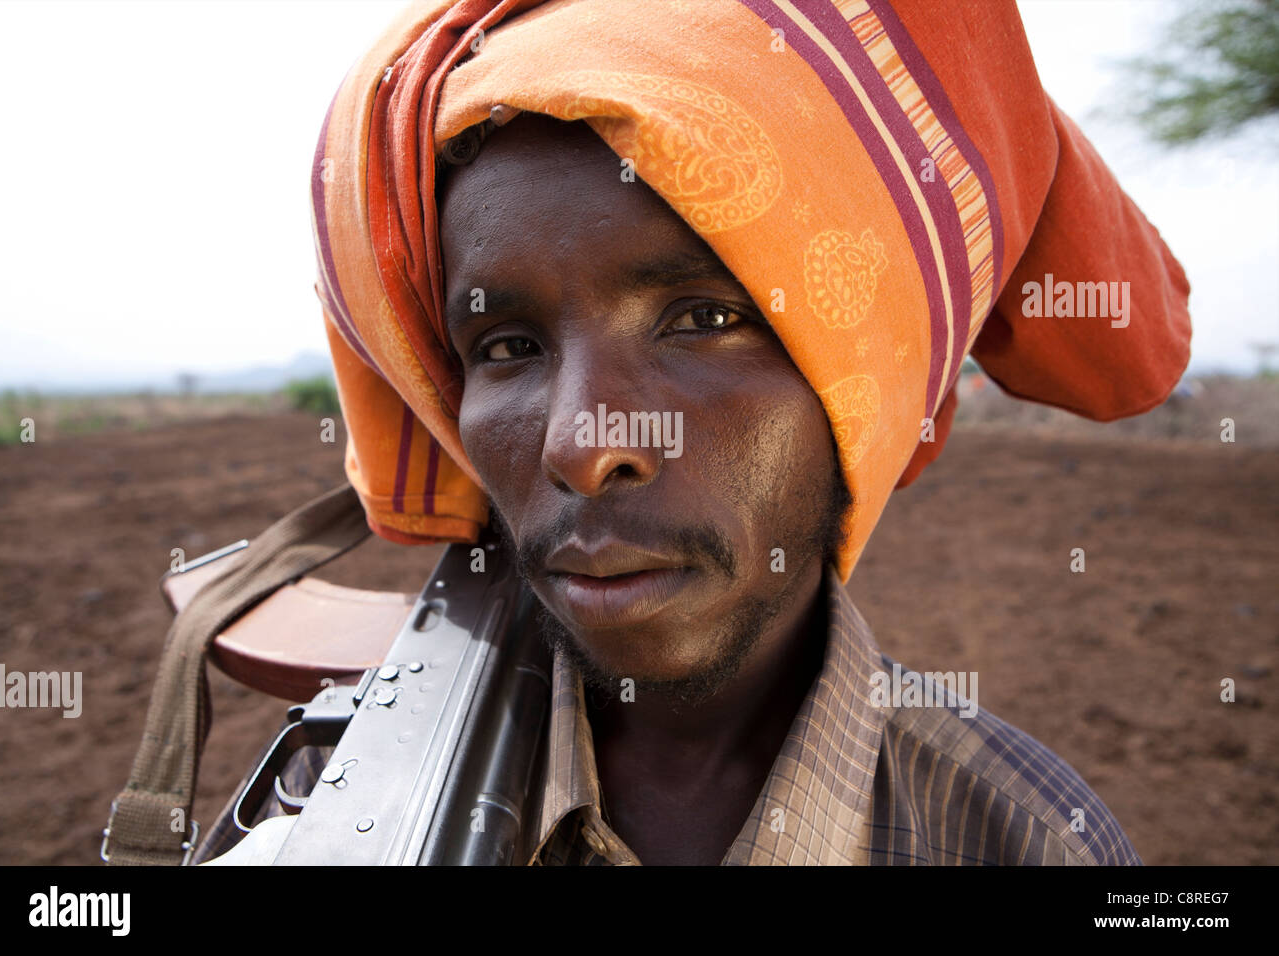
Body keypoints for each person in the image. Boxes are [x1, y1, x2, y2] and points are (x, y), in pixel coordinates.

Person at [298, 0, 1190, 865]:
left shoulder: (1024, 839)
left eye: (703, 320)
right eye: (508, 345)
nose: (580, 444)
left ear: (865, 392)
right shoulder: (336, 797)